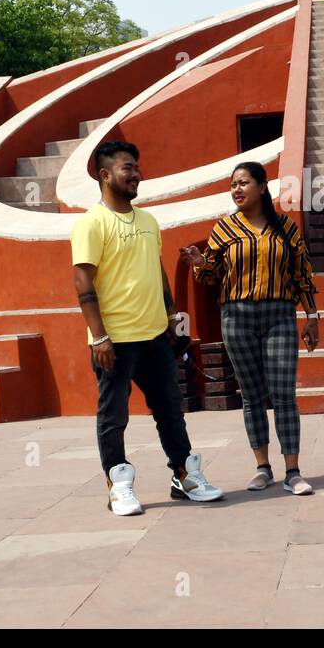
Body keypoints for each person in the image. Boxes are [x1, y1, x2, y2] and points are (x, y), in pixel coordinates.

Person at [71, 140, 224, 516]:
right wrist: (100, 337)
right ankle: (118, 484)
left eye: (137, 167)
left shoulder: (148, 221)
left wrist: (171, 315)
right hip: (115, 341)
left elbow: (155, 270)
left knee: (170, 409)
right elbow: (82, 281)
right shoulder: (92, 222)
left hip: (154, 335)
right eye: (128, 168)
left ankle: (184, 476)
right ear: (105, 175)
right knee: (114, 417)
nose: (136, 173)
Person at [180, 162, 319, 495]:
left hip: (280, 315)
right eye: (233, 185)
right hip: (237, 316)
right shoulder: (224, 230)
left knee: (284, 394)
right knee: (252, 396)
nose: (237, 190)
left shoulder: (286, 228)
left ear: (262, 186)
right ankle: (262, 468)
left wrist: (312, 316)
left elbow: (302, 276)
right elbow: (212, 276)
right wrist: (201, 264)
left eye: (243, 183)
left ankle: (293, 471)